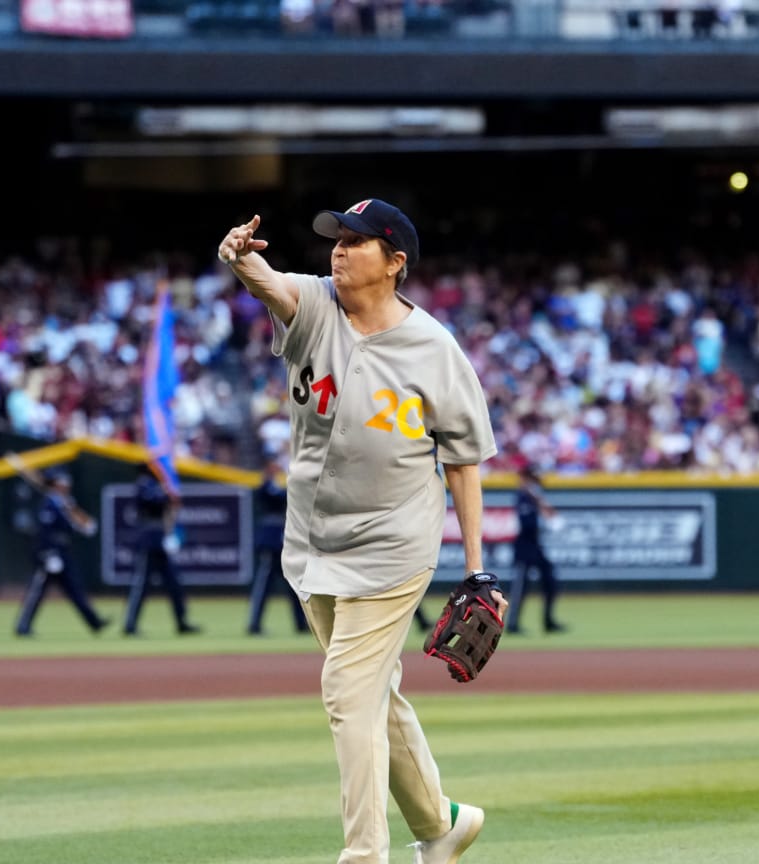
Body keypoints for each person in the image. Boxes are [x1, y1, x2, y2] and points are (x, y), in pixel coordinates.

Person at [218, 199, 504, 864]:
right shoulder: (316, 307)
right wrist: (238, 255)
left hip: (395, 543)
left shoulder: (435, 350)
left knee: (346, 690)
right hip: (312, 540)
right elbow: (267, 280)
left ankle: (364, 854)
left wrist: (475, 568)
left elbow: (462, 463)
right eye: (335, 241)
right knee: (376, 693)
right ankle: (443, 824)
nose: (338, 252)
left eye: (355, 242)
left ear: (395, 262)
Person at [7, 461, 110, 636]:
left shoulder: (66, 503)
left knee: (75, 589)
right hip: (50, 552)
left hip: (64, 551)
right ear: (55, 483)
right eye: (63, 481)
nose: (66, 484)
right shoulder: (49, 503)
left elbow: (85, 526)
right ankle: (22, 626)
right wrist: (47, 554)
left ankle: (94, 622)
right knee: (37, 590)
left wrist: (82, 520)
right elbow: (43, 532)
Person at [122, 462, 201, 636]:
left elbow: (169, 506)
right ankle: (130, 625)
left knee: (174, 583)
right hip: (148, 539)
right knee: (141, 584)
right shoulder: (143, 483)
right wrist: (167, 494)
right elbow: (155, 500)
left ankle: (181, 622)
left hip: (160, 539)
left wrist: (170, 496)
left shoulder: (157, 484)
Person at [246, 457, 311, 636]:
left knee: (293, 584)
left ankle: (301, 624)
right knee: (264, 584)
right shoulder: (265, 487)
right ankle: (254, 624)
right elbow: (272, 495)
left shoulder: (282, 485)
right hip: (270, 542)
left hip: (284, 542)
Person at [505, 465, 566, 634]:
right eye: (532, 480)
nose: (535, 484)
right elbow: (526, 525)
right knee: (520, 587)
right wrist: (545, 522)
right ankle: (512, 624)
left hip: (536, 546)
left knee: (550, 580)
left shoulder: (535, 497)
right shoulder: (522, 497)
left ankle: (548, 621)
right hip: (524, 547)